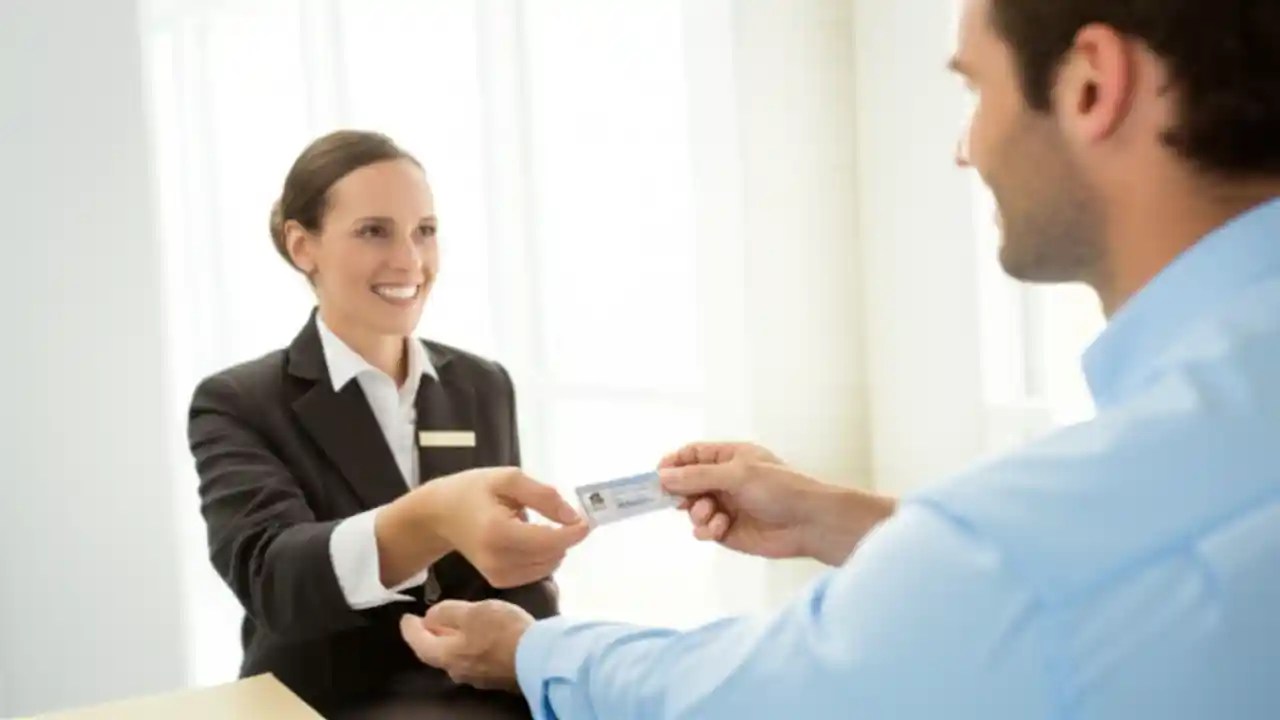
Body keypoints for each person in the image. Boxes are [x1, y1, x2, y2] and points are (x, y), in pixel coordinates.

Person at [397, 0, 1280, 716]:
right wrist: (838, 519)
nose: (965, 147)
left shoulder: (1020, 547)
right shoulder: (1158, 489)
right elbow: (1114, 592)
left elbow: (774, 691)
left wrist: (531, 651)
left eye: (976, 90)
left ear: (1092, 85)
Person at [187, 130, 590, 714]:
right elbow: (273, 577)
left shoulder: (481, 385)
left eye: (424, 231)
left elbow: (502, 582)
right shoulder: (238, 401)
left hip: (476, 699)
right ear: (303, 246)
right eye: (374, 231)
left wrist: (540, 645)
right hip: (324, 704)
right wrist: (430, 518)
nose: (410, 260)